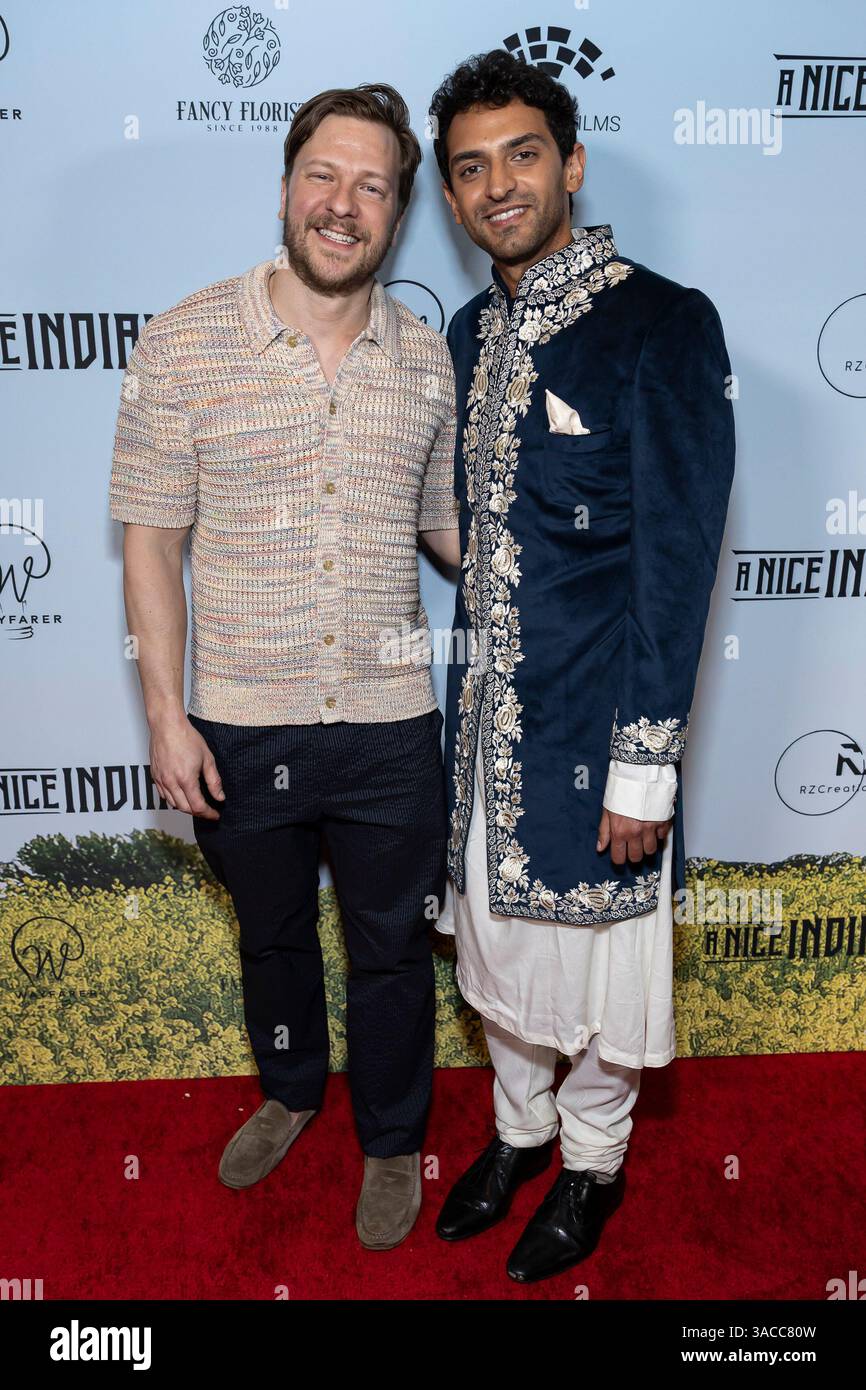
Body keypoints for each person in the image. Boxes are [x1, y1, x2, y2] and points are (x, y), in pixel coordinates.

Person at [108, 84, 462, 1251]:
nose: (342, 203)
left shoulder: (427, 363)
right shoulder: (182, 339)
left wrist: (579, 554)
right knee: (269, 938)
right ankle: (292, 1086)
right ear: (283, 186)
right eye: (324, 174)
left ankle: (391, 1138)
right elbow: (150, 540)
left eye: (372, 185)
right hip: (240, 724)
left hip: (388, 725)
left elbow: (447, 531)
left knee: (390, 949)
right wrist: (167, 715)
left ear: (397, 213)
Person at [428, 49, 735, 1283]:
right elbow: (478, 528)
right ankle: (515, 1134)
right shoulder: (463, 331)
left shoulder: (661, 322)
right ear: (448, 198)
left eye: (520, 154)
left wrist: (642, 770)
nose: (498, 184)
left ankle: (591, 1166)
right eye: (468, 168)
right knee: (501, 960)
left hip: (600, 733)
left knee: (601, 976)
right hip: (489, 724)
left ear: (569, 163)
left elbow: (674, 561)